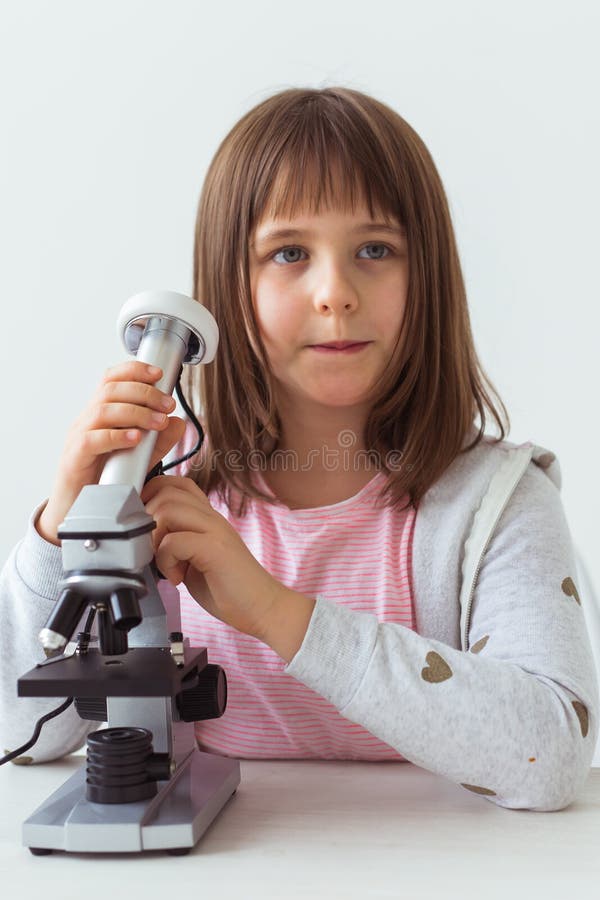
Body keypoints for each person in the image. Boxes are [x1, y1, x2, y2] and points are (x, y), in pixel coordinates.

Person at [0, 87, 597, 812]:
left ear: (428, 275)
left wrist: (277, 613)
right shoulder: (166, 495)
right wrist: (63, 527)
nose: (335, 292)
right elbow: (25, 731)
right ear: (230, 285)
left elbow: (553, 755)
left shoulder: (497, 503)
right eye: (288, 253)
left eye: (375, 250)